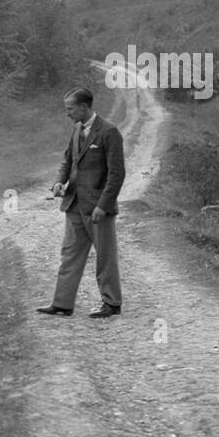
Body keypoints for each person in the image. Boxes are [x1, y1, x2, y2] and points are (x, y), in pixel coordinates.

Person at [36, 86, 125, 319]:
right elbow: (67, 161)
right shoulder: (76, 130)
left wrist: (102, 206)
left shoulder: (109, 132)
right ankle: (62, 304)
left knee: (105, 256)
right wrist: (58, 182)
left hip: (98, 209)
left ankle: (112, 303)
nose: (67, 113)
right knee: (69, 254)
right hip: (73, 204)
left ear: (84, 107)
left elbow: (117, 175)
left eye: (70, 108)